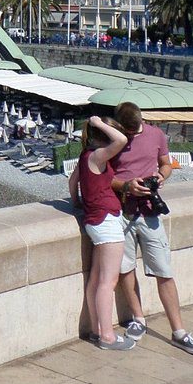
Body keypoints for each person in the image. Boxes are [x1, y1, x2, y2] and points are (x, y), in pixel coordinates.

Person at [111, 102, 193, 355]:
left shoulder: (156, 135)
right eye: (126, 133)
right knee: (125, 269)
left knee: (164, 271)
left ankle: (179, 331)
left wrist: (162, 176)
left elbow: (166, 163)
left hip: (149, 212)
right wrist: (126, 186)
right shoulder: (113, 137)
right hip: (122, 212)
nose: (129, 138)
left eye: (132, 133)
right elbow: (104, 176)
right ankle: (138, 319)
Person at [69, 114, 135, 350]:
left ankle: (97, 330)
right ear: (103, 137)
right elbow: (121, 141)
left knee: (96, 279)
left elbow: (73, 180)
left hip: (95, 219)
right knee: (108, 282)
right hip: (106, 221)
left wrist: (76, 202)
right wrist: (98, 124)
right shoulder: (98, 155)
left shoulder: (86, 155)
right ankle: (107, 336)